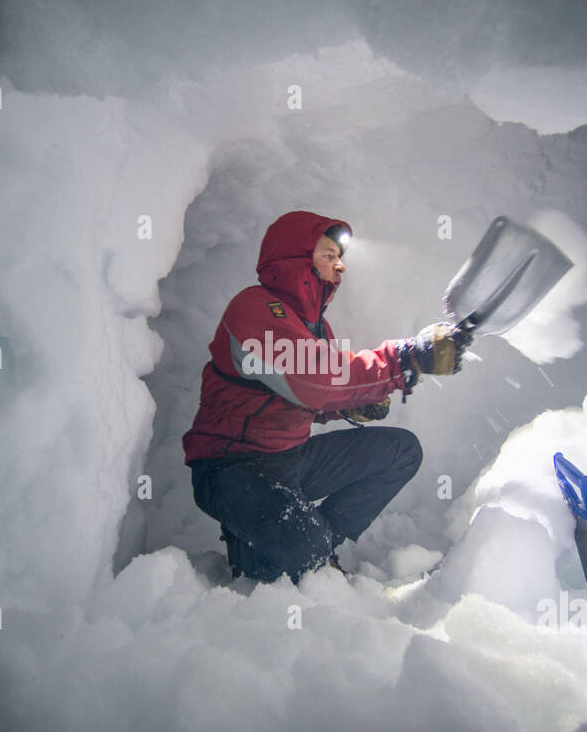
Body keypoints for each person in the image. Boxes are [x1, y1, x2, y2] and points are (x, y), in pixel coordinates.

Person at [181, 210, 472, 583]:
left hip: (289, 461)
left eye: (341, 257)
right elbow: (314, 381)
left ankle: (310, 547)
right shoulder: (253, 310)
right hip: (232, 469)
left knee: (401, 451)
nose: (340, 266)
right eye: (329, 255)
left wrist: (353, 405)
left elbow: (300, 397)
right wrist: (406, 359)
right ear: (297, 259)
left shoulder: (313, 327)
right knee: (281, 568)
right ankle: (292, 551)